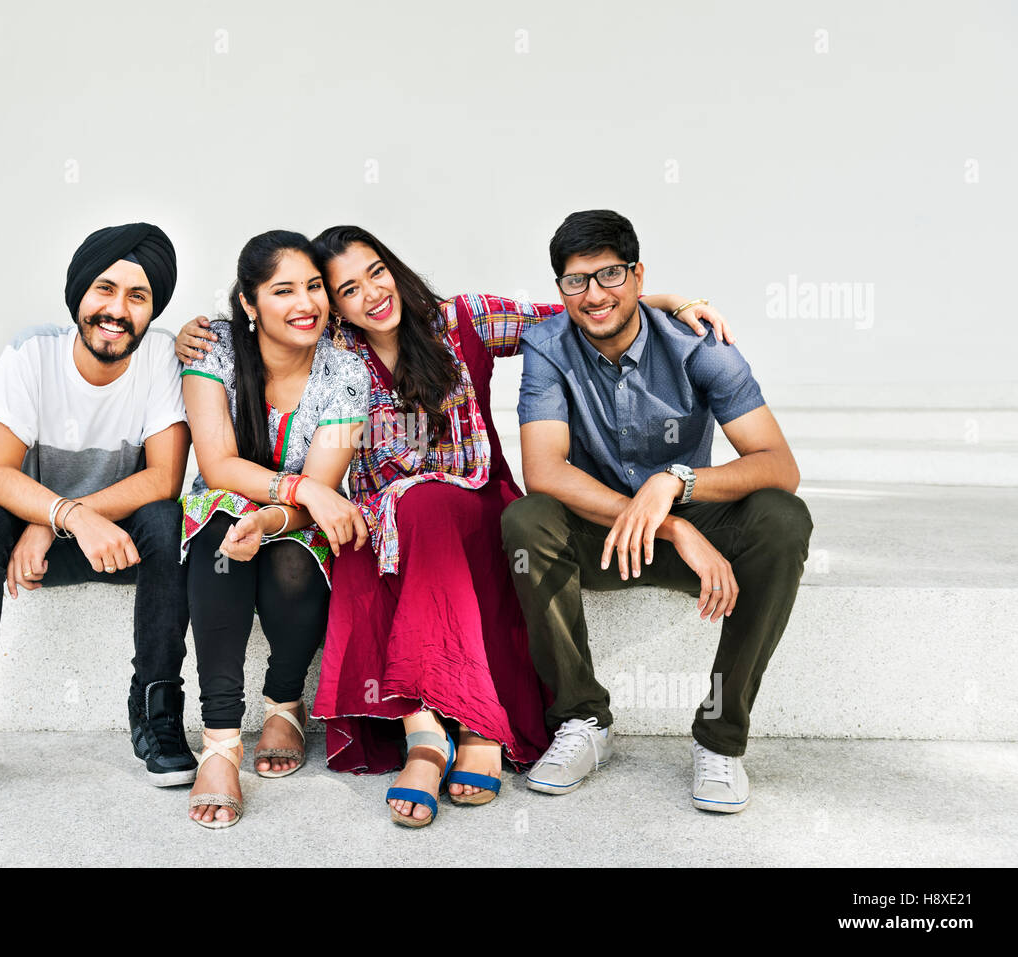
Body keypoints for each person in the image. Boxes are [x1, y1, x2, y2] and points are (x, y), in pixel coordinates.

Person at [177, 225, 732, 827]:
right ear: (334, 305)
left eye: (377, 273)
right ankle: (425, 734)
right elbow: (258, 333)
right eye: (347, 289)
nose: (371, 295)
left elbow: (575, 308)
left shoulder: (461, 319)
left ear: (394, 267)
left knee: (425, 510)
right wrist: (190, 333)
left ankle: (477, 726)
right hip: (385, 517)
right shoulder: (333, 351)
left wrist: (673, 301)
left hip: (471, 503)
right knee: (366, 538)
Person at [501, 209, 812, 813]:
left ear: (638, 275)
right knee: (526, 519)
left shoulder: (698, 344)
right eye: (575, 280)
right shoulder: (547, 346)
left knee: (783, 518)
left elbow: (780, 465)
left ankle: (721, 740)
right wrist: (664, 523)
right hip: (602, 536)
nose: (594, 294)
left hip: (690, 527)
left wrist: (676, 483)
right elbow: (544, 469)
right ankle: (582, 721)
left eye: (609, 274)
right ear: (560, 288)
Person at [0, 222, 196, 808]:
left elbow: (163, 479)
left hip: (121, 544)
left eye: (138, 297)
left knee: (166, 518)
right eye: (104, 289)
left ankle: (156, 712)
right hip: (49, 545)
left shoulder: (160, 357)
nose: (117, 310)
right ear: (78, 293)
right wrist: (65, 518)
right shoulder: (32, 352)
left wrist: (56, 517)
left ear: (153, 309)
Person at [179, 230, 369, 829]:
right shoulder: (213, 349)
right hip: (221, 505)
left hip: (295, 519)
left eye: (314, 287)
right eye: (282, 290)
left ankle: (286, 702)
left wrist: (277, 512)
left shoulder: (344, 372)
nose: (305, 303)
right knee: (220, 545)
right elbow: (218, 466)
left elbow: (320, 495)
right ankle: (221, 743)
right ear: (248, 302)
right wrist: (293, 492)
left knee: (293, 562)